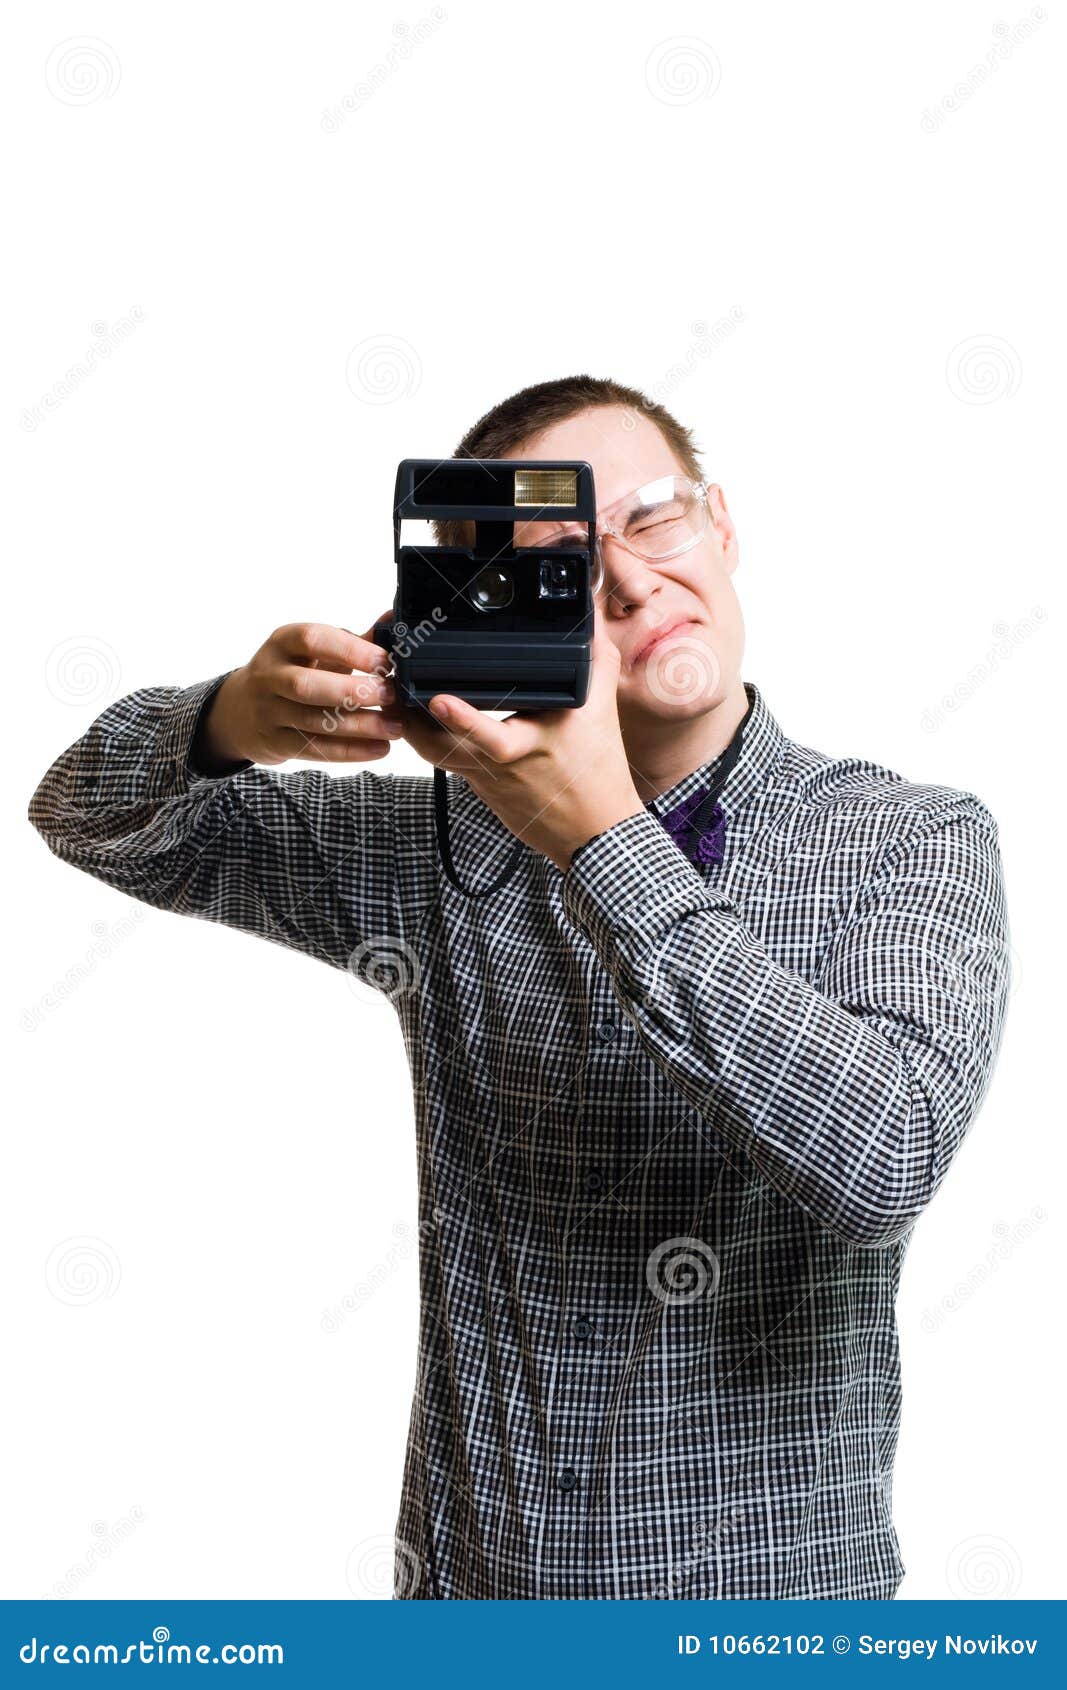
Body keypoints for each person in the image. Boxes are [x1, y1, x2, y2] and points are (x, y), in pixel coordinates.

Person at [29, 374, 1010, 1600]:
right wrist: (226, 717)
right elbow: (90, 814)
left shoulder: (907, 838)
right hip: (475, 1601)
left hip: (778, 1617)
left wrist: (600, 840)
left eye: (653, 519)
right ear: (490, 612)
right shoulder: (449, 850)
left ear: (722, 527)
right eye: (557, 567)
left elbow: (881, 1160)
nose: (629, 582)